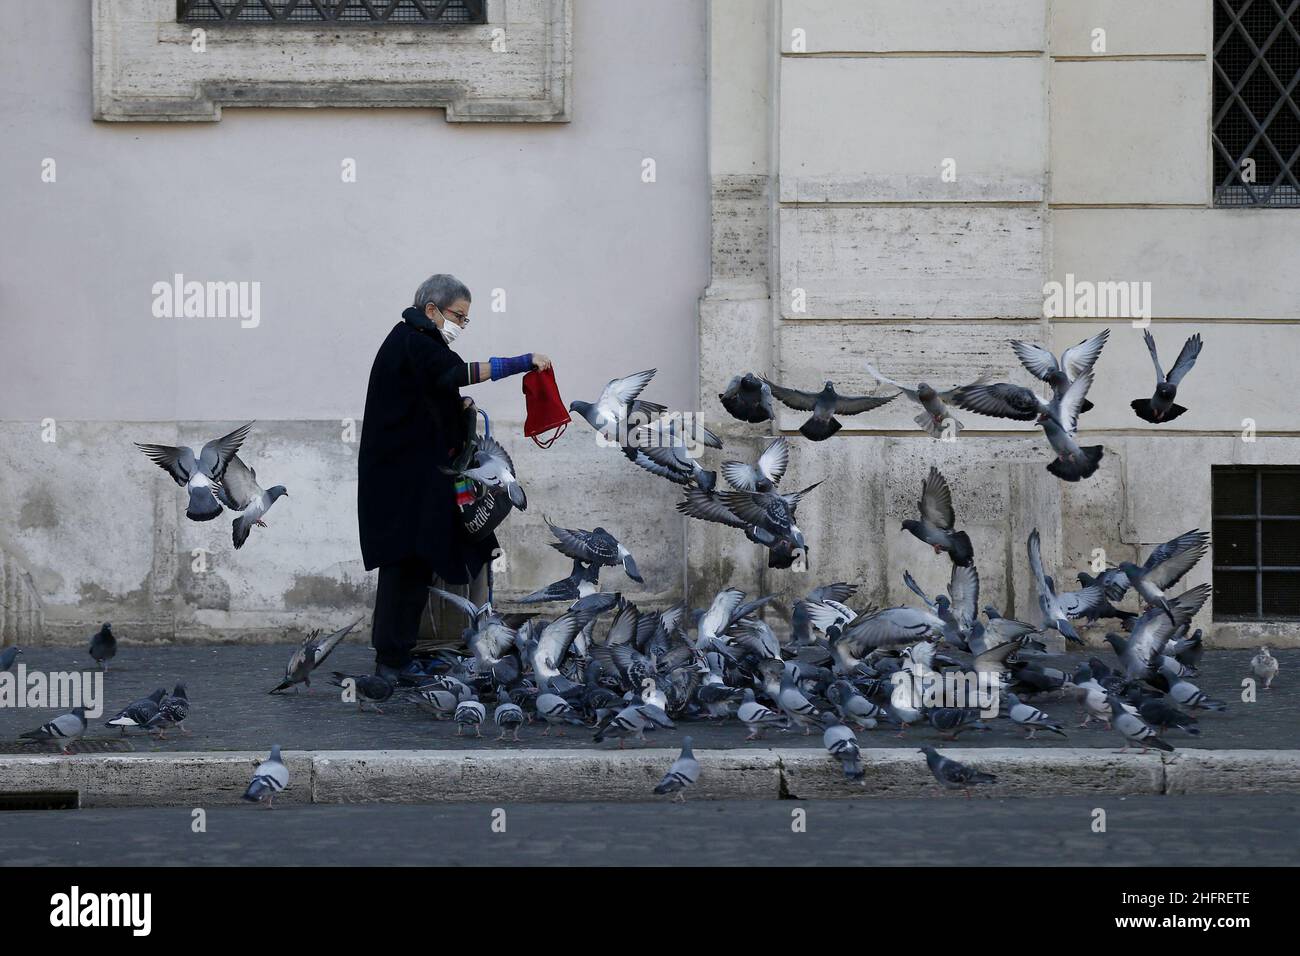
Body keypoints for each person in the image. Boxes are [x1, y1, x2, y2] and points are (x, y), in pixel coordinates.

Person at [358, 274, 551, 683]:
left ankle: (397, 658)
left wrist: (454, 406)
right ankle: (389, 663)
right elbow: (459, 373)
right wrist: (521, 362)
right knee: (403, 566)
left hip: (413, 478)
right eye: (458, 316)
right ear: (432, 309)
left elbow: (429, 392)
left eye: (466, 320)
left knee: (416, 564)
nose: (461, 326)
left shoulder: (416, 342)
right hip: (402, 481)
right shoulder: (414, 341)